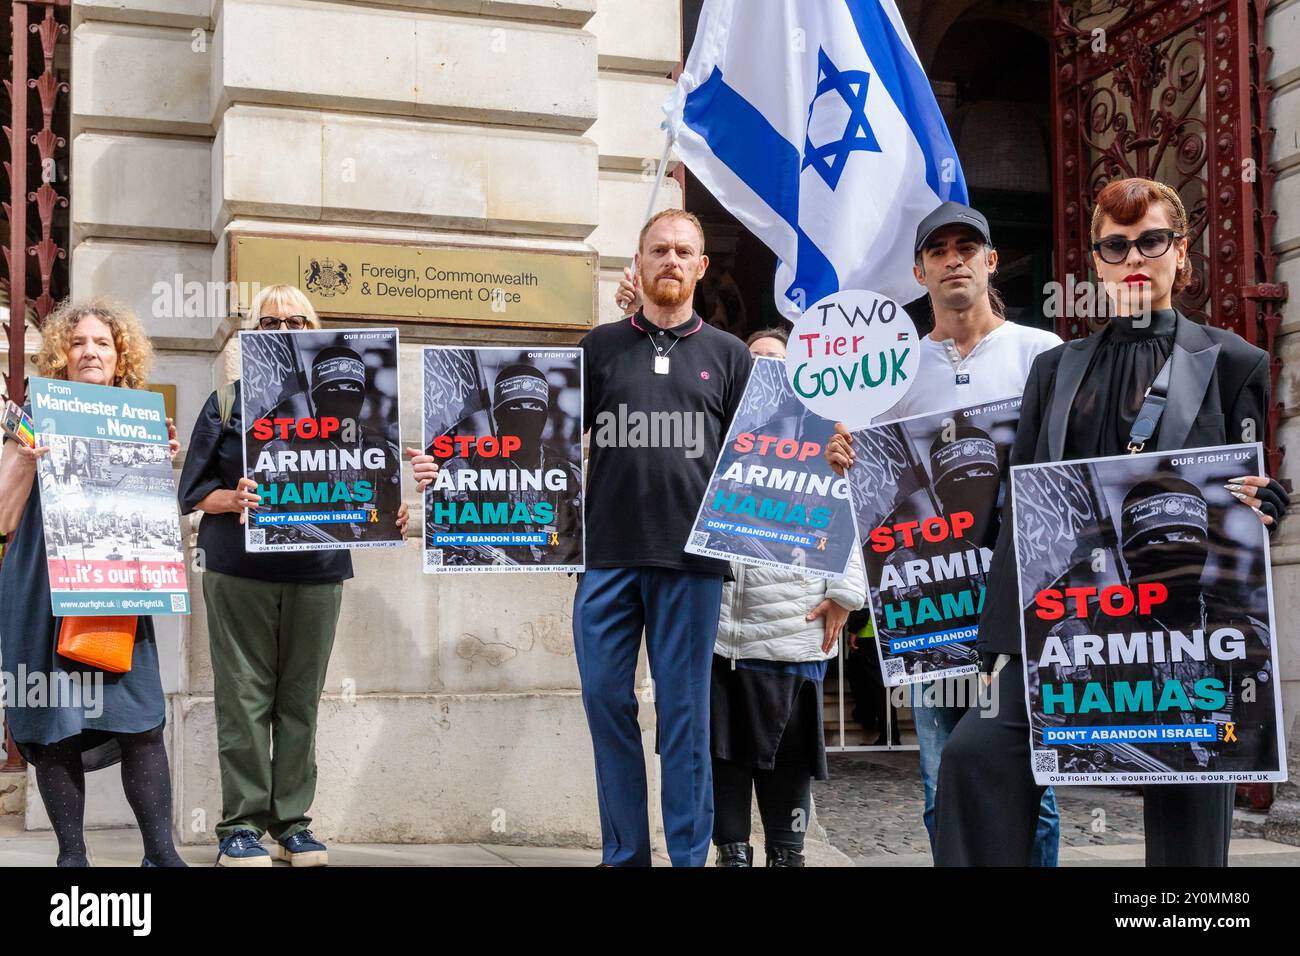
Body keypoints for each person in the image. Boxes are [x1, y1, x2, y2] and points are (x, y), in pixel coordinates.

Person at [933, 177, 1290, 867]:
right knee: (976, 755)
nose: (1135, 256)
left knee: (1191, 785)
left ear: (1180, 254)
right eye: (1116, 244)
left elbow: (1248, 492)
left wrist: (1266, 506)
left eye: (1151, 241)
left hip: (1188, 629)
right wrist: (999, 649)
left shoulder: (1233, 362)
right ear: (1095, 262)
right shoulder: (1055, 370)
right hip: (1073, 626)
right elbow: (1019, 508)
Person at [825, 200, 1061, 863]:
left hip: (1024, 596)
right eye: (939, 250)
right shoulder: (892, 369)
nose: (954, 258)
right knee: (940, 778)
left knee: (1033, 784)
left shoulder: (1043, 353)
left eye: (968, 247)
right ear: (919, 271)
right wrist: (846, 458)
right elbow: (876, 484)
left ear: (991, 261)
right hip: (935, 600)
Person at [178, 284, 409, 867]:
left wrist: (390, 512)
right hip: (238, 571)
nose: (283, 329)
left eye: (295, 320)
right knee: (244, 698)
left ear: (315, 329)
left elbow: (376, 486)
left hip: (318, 569)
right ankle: (239, 828)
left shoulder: (361, 405)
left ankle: (293, 825)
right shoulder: (228, 403)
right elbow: (192, 491)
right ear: (255, 333)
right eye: (270, 321)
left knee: (300, 699)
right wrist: (233, 499)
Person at [572, 208, 752, 866]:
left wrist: (832, 450)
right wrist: (454, 468)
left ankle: (686, 855)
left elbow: (767, 456)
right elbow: (542, 446)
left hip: (692, 563)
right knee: (603, 701)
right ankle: (625, 855)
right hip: (606, 558)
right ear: (638, 264)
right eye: (658, 250)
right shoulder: (598, 348)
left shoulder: (730, 358)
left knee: (684, 718)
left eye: (683, 251)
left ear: (702, 267)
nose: (671, 260)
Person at [0, 298, 185, 867]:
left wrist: (158, 465)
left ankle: (160, 855)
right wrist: (27, 457)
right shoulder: (32, 412)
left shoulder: (138, 415)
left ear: (120, 354)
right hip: (40, 587)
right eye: (78, 342)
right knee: (55, 721)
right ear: (61, 353)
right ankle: (72, 858)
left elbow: (153, 524)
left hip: (114, 589)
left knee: (140, 720)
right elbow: (2, 518)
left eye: (102, 343)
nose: (89, 351)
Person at [709, 327, 867, 867]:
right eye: (756, 362)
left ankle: (787, 855)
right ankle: (732, 855)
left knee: (789, 758)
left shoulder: (829, 438)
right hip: (723, 633)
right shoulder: (717, 437)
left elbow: (861, 514)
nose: (768, 370)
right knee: (721, 757)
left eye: (779, 361)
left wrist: (847, 594)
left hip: (794, 629)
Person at [433, 363, 582, 567]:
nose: (526, 416)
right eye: (515, 407)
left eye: (535, 407)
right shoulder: (464, 469)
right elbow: (435, 540)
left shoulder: (567, 474)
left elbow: (577, 545)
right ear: (498, 415)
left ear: (545, 415)